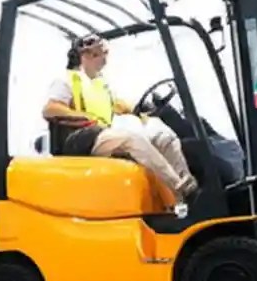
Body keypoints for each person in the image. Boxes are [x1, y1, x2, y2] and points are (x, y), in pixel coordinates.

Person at [43, 34, 198, 203]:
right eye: (101, 54)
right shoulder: (66, 80)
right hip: (79, 139)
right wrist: (83, 117)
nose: (105, 59)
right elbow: (50, 109)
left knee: (162, 137)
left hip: (102, 134)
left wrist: (139, 109)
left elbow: (116, 104)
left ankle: (185, 191)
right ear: (86, 55)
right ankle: (179, 187)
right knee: (131, 139)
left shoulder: (99, 82)